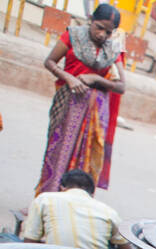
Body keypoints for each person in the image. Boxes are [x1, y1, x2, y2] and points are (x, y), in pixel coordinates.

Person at [36, 4, 125, 196]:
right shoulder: (73, 35)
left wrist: (96, 79)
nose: (102, 35)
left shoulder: (112, 49)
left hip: (96, 110)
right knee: (59, 152)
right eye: (99, 27)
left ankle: (78, 204)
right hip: (69, 103)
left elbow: (121, 86)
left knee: (88, 156)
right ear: (91, 20)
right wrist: (69, 78)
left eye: (108, 32)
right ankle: (48, 198)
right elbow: (49, 62)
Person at [22, 168, 134, 249]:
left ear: (62, 187)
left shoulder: (45, 199)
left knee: (8, 238)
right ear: (92, 193)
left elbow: (29, 243)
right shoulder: (109, 212)